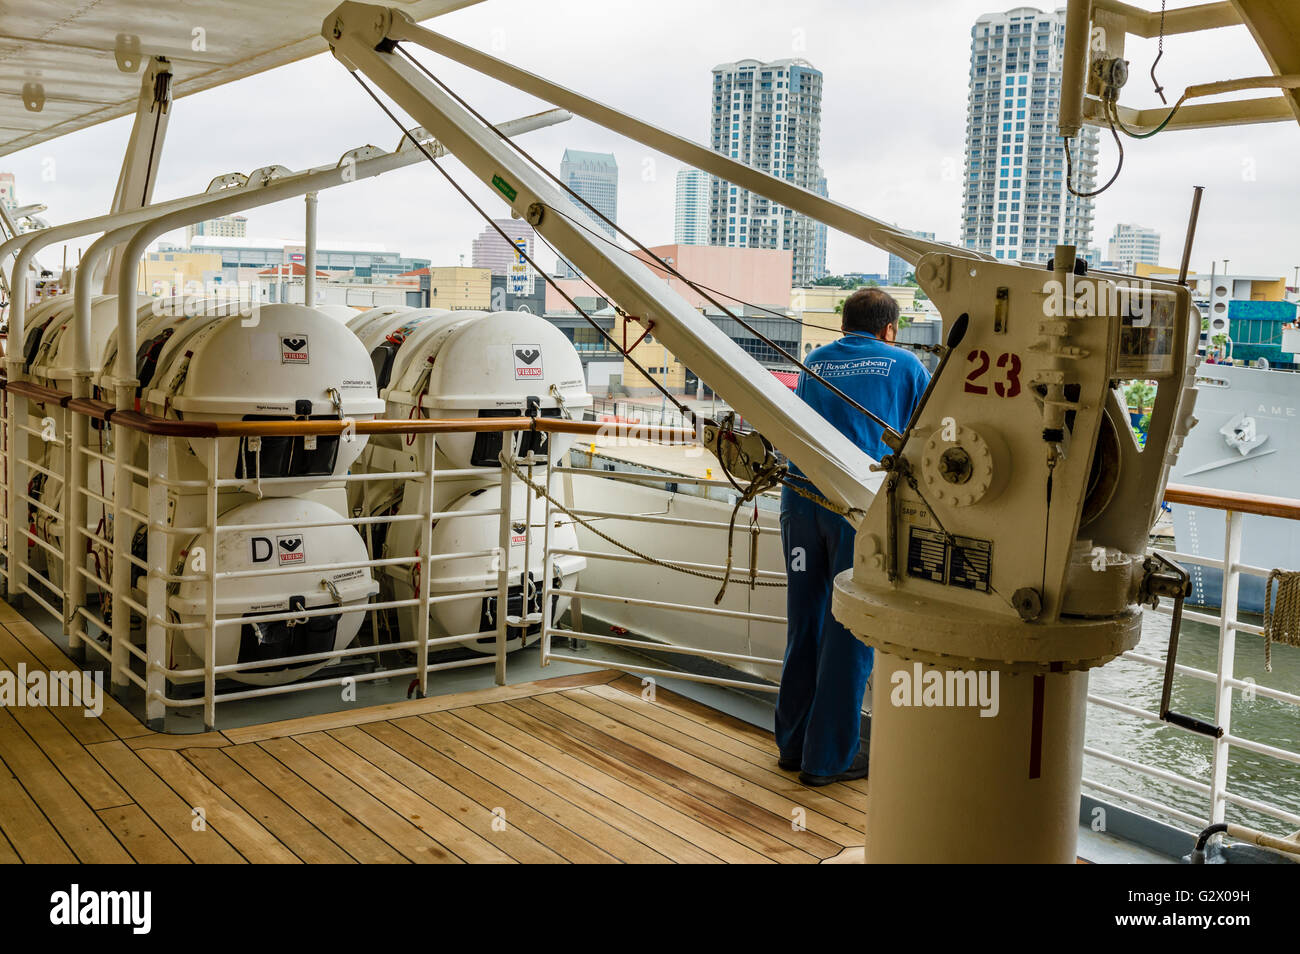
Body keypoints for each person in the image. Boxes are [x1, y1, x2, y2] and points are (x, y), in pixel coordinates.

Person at [776, 287, 929, 786]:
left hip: (801, 503)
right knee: (851, 632)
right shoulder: (905, 365)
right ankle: (827, 761)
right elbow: (925, 439)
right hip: (857, 511)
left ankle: (792, 746)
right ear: (889, 329)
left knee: (806, 624)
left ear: (845, 325)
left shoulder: (815, 361)